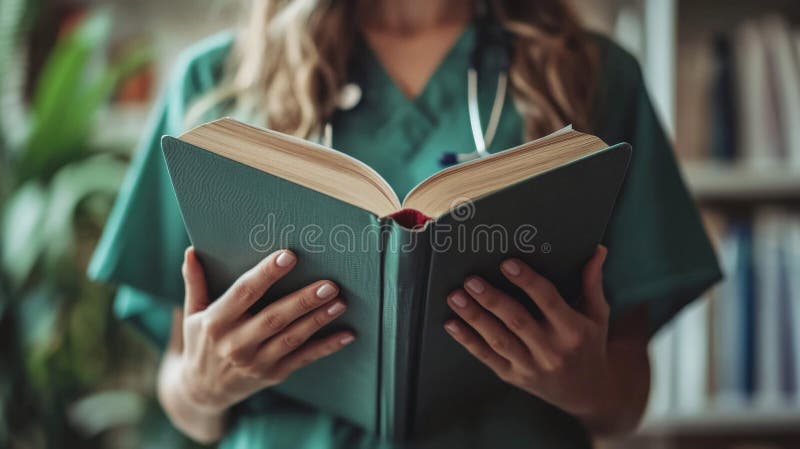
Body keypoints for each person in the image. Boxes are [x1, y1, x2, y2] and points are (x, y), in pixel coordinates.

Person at [88, 0, 722, 448]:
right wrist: (202, 386)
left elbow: (624, 401)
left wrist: (583, 384)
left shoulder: (595, 78)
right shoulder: (217, 85)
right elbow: (184, 400)